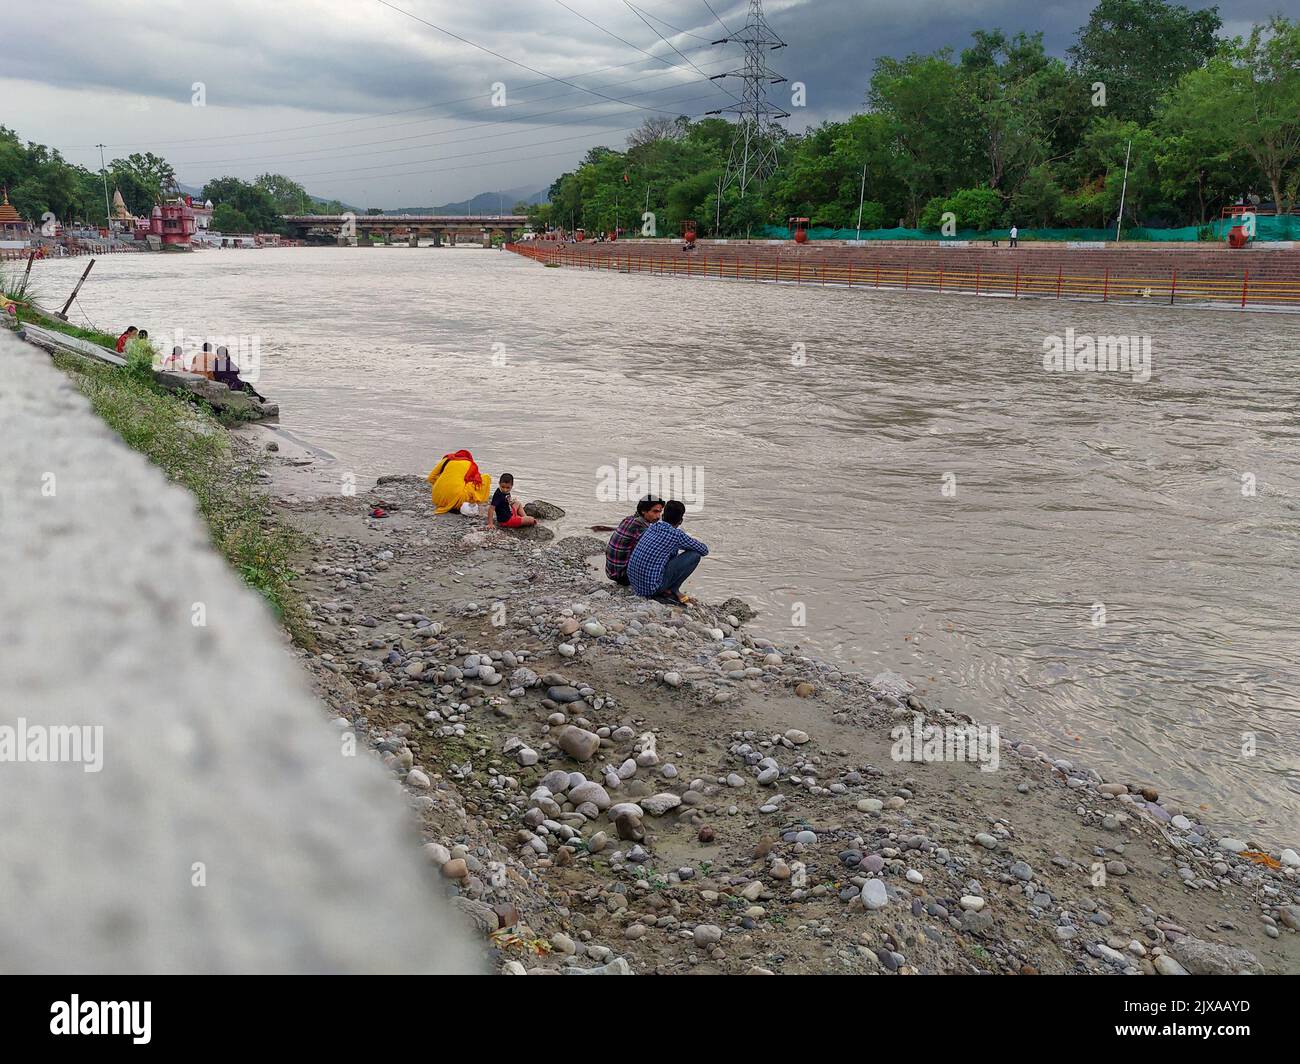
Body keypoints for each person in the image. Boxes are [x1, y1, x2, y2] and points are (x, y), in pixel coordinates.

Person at [628, 500, 708, 604]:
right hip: (650, 589)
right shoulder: (676, 535)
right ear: (680, 521)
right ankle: (674, 589)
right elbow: (704, 550)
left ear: (663, 516)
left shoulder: (653, 526)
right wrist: (690, 543)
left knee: (671, 548)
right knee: (695, 555)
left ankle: (668, 588)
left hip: (634, 582)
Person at [605, 495, 664, 585]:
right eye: (655, 512)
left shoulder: (628, 519)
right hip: (623, 576)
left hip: (611, 572)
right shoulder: (640, 527)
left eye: (660, 512)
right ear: (643, 511)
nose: (658, 516)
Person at [427, 449, 492, 515]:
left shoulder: (447, 459)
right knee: (486, 477)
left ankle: (445, 497)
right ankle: (479, 501)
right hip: (457, 501)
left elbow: (430, 478)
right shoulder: (470, 464)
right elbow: (476, 481)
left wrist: (442, 486)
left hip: (436, 499)